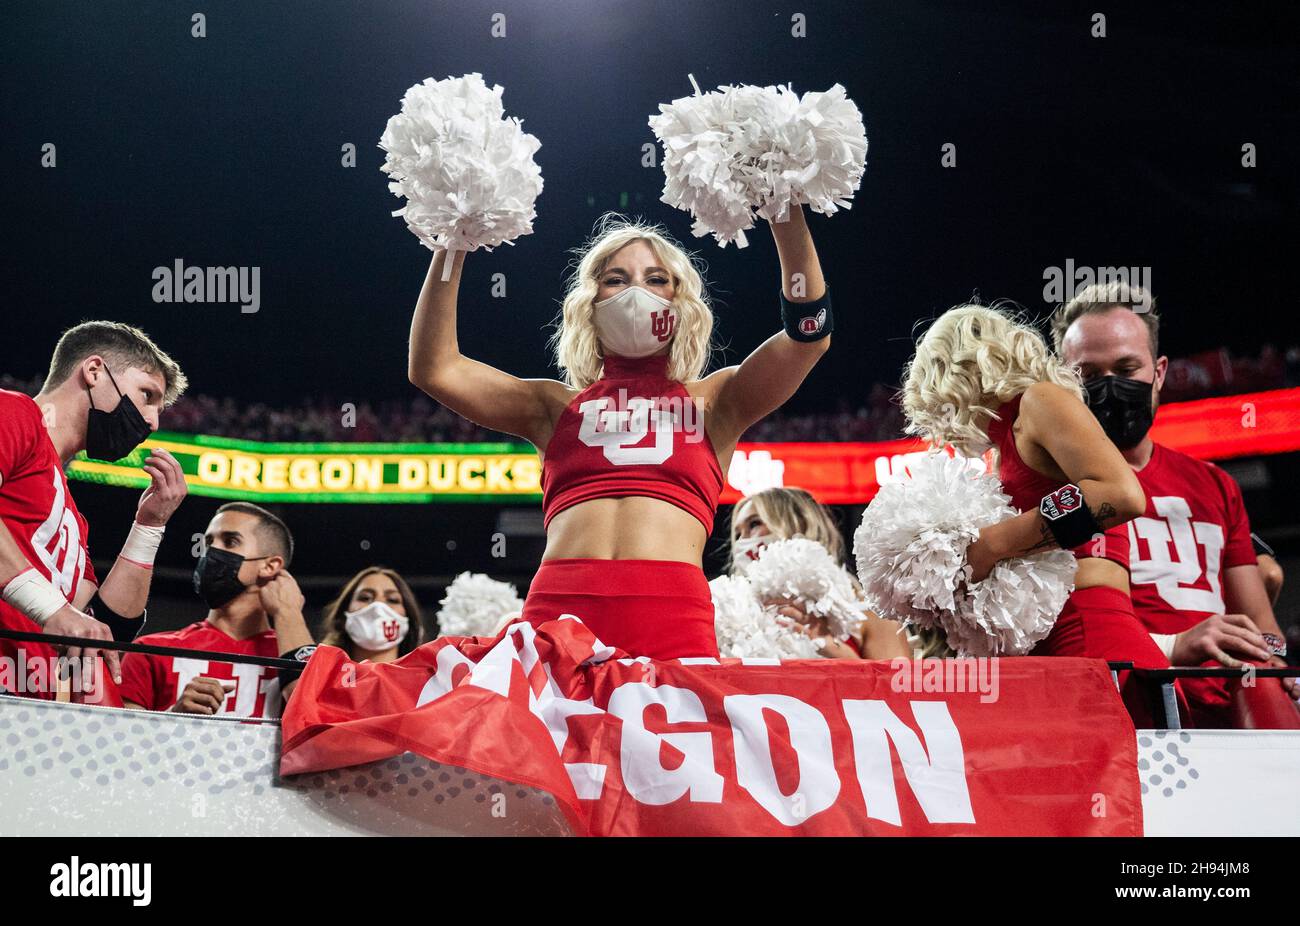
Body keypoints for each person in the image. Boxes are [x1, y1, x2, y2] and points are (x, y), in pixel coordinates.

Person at [407, 211, 833, 659]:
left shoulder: (717, 401)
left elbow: (808, 335)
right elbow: (434, 368)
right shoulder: (552, 406)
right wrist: (452, 243)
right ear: (589, 302)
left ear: (680, 300)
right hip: (557, 612)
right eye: (615, 279)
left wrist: (784, 210)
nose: (635, 293)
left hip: (672, 613)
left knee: (671, 730)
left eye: (655, 279)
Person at [899, 303, 1174, 723]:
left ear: (957, 373)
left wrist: (992, 544)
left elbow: (1121, 494)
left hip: (1091, 634)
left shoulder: (1039, 401)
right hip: (1054, 644)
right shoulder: (1006, 441)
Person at [1052, 283, 1299, 725]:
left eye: (1128, 367)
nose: (1111, 386)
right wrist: (1173, 644)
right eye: (1088, 376)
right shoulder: (1053, 494)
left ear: (1159, 372)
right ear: (1063, 386)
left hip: (1234, 699)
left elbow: (1262, 624)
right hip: (1129, 701)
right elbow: (1060, 639)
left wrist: (1279, 664)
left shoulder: (1214, 483)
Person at [0, 321, 188, 704]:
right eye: (147, 394)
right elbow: (59, 614)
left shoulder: (71, 517)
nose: (153, 421)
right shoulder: (14, 413)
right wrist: (51, 608)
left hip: (31, 716)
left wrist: (149, 526)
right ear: (94, 370)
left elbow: (106, 632)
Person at [118, 503, 314, 717]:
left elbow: (316, 714)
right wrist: (175, 715)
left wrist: (289, 613)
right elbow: (121, 740)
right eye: (209, 542)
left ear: (270, 566)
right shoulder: (150, 652)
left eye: (230, 542)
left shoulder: (291, 656)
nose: (212, 551)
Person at [728, 487, 916, 659]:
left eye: (754, 524)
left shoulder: (869, 610)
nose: (742, 541)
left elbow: (897, 691)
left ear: (799, 523)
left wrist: (837, 653)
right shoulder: (731, 614)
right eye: (737, 534)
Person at [317, 567, 425, 663]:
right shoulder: (322, 675)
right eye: (365, 598)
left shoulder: (427, 682)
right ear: (343, 618)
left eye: (392, 600)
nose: (378, 605)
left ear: (408, 619)